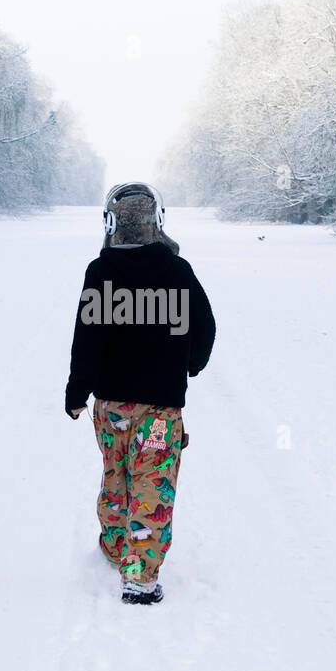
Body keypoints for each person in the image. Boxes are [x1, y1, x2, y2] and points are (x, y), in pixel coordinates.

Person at [65, 182, 215, 604]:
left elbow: (87, 340)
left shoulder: (101, 272)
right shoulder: (178, 272)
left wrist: (77, 394)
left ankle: (116, 548)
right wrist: (191, 364)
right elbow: (205, 329)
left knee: (116, 474)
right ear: (158, 221)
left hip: (111, 407)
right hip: (161, 412)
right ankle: (139, 574)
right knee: (152, 485)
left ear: (111, 223)